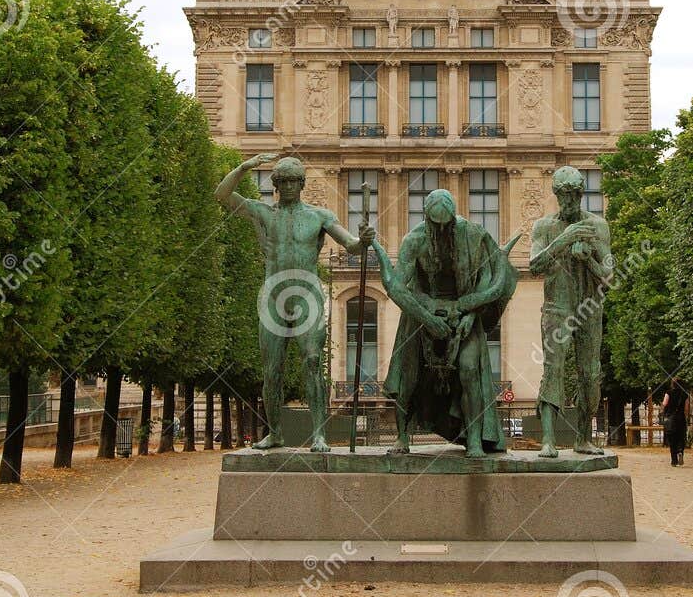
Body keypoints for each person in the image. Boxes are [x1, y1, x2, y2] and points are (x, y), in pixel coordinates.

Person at [215, 152, 373, 452]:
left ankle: (319, 435)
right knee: (271, 369)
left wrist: (363, 240)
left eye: (293, 181)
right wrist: (245, 166)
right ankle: (275, 433)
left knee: (312, 361)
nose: (288, 186)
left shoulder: (320, 216)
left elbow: (351, 244)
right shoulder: (264, 212)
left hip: (307, 295)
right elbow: (222, 195)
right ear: (275, 184)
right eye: (282, 181)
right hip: (273, 296)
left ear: (302, 184)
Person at [372, 189, 518, 458]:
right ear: (426, 219)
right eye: (435, 225)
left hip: (464, 311)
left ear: (453, 218)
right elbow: (398, 286)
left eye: (446, 225)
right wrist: (427, 318)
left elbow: (487, 280)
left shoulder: (473, 235)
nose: (441, 231)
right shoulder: (414, 240)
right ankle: (402, 437)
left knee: (469, 368)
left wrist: (470, 314)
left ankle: (474, 439)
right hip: (421, 311)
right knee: (407, 375)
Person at [530, 166, 613, 457]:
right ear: (556, 195)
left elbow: (609, 276)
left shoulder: (598, 226)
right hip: (557, 306)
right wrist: (564, 239)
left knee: (590, 374)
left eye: (575, 195)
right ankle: (548, 440)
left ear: (581, 195)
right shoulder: (543, 226)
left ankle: (583, 438)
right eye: (564, 196)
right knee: (553, 370)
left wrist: (589, 258)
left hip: (590, 307)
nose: (569, 201)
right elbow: (534, 265)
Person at [661, 377, 689, 466]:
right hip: (681, 418)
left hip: (671, 418)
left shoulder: (668, 393)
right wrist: (685, 417)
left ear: (672, 384)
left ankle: (674, 461)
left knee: (672, 439)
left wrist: (664, 412)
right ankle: (680, 451)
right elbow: (686, 408)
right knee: (681, 437)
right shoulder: (685, 394)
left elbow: (665, 403)